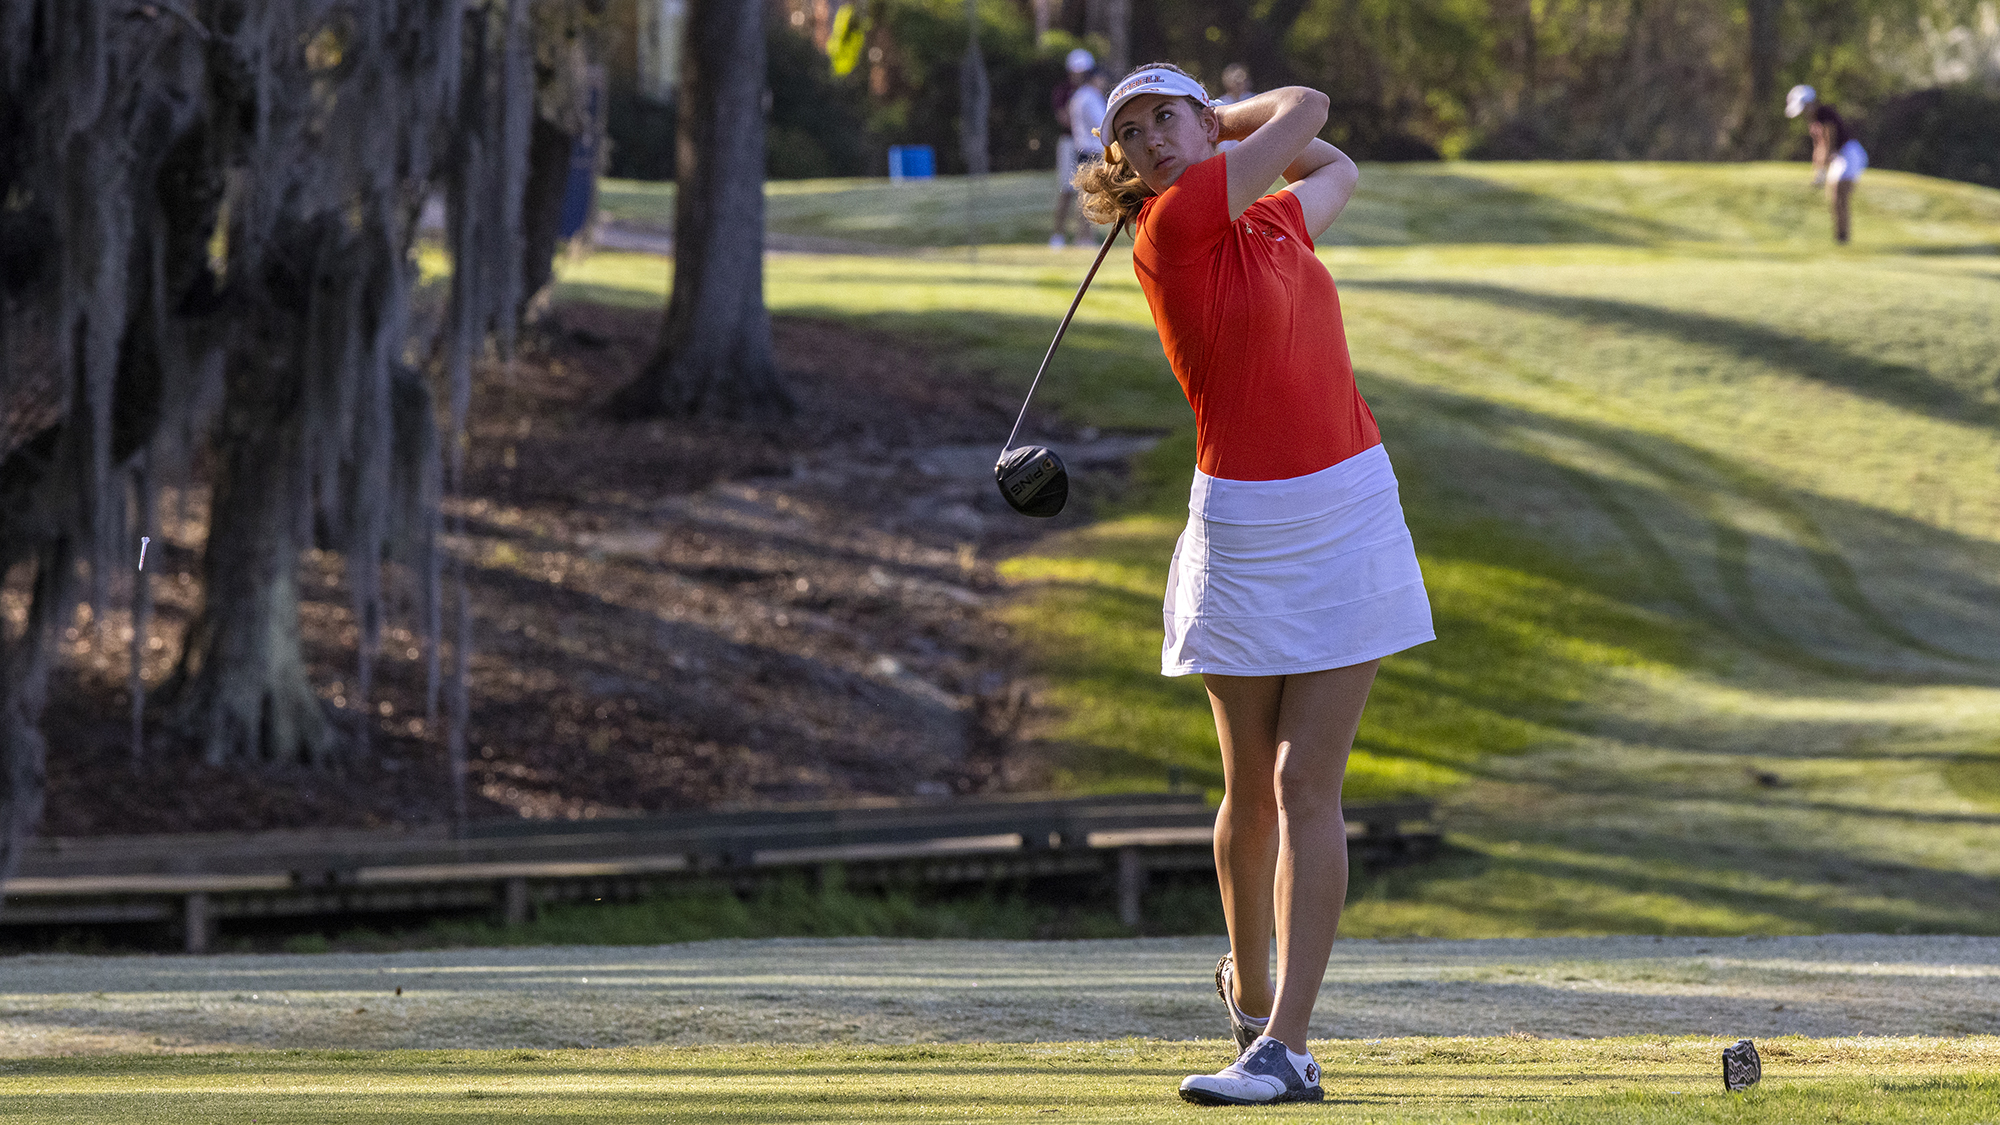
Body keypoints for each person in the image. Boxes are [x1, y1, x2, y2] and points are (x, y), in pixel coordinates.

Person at [1076, 64, 1433, 1105]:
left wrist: (1214, 123)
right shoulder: (1172, 225)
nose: (1148, 142)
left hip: (1349, 513)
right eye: (1128, 136)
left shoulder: (1272, 223)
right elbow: (1309, 113)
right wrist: (1212, 132)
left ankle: (1284, 1043)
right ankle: (1248, 1000)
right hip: (1243, 532)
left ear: (1204, 121)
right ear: (1129, 172)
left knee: (1300, 785)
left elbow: (1335, 161)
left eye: (1162, 120)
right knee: (1249, 787)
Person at [1787, 84, 1867, 244]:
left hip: (1850, 154)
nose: (1803, 113)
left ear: (1809, 103)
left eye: (1803, 108)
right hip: (1839, 158)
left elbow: (1828, 143)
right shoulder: (1813, 122)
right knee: (1833, 196)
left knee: (1840, 194)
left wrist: (1822, 171)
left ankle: (1843, 238)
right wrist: (1817, 171)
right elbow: (1818, 148)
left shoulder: (1824, 114)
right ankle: (1840, 237)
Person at [1049, 48, 1095, 248]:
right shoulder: (1064, 92)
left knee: (1086, 191)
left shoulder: (1090, 92)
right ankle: (1058, 235)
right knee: (1066, 190)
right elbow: (1065, 119)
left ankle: (1083, 237)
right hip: (1070, 143)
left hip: (1087, 144)